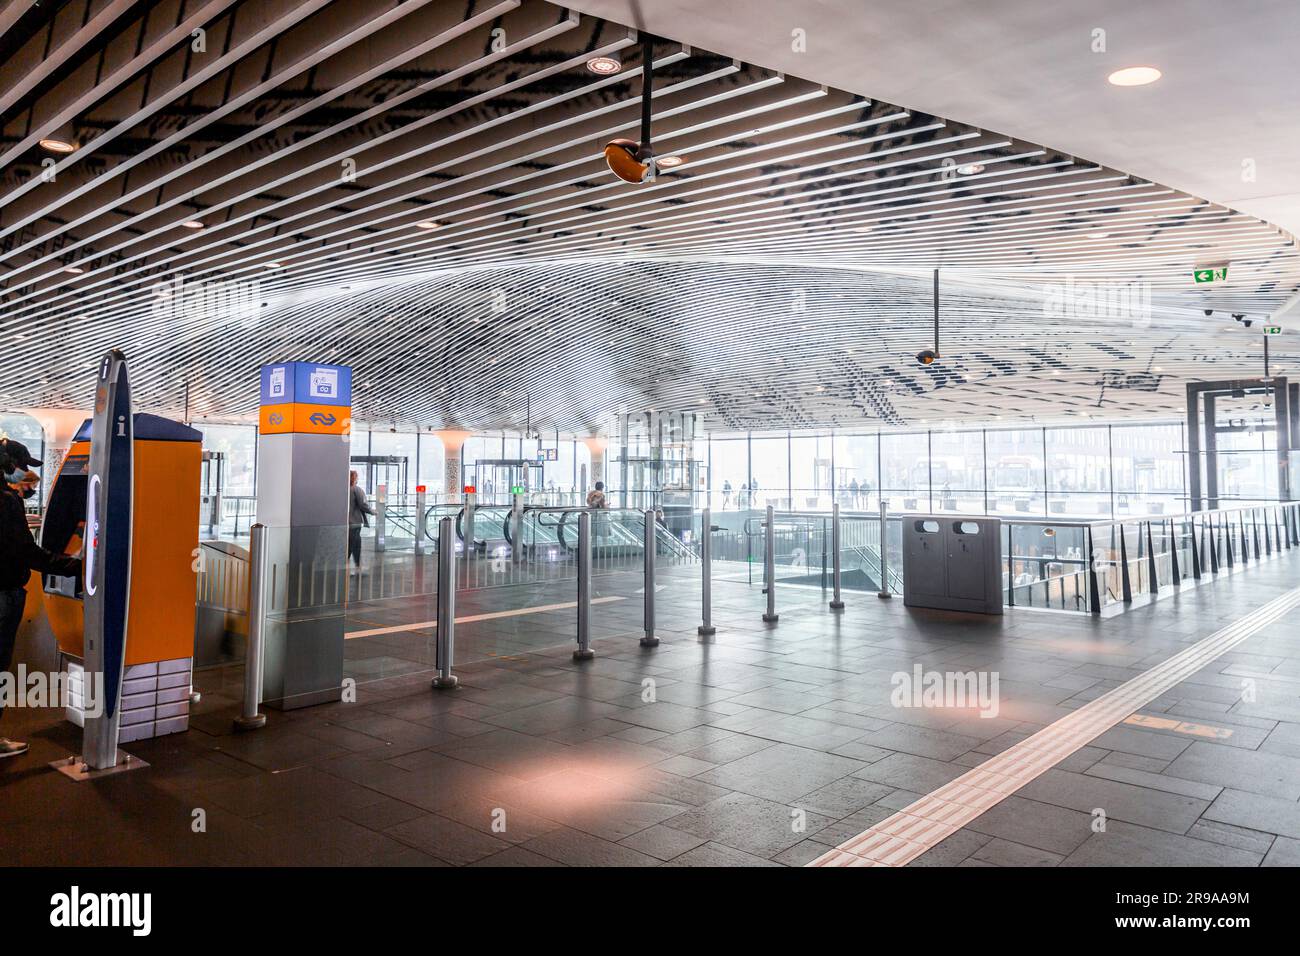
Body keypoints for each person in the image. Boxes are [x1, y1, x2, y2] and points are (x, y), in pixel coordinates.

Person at [0, 437, 80, 759]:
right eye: (22, 467)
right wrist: (74, 566)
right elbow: (25, 552)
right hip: (4, 594)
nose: (24, 475)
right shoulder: (6, 502)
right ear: (8, 465)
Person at [348, 470, 375, 572]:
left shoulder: (343, 490)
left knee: (349, 544)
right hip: (354, 522)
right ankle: (357, 566)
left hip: (345, 522)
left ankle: (352, 565)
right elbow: (363, 505)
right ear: (354, 478)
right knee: (355, 544)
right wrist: (373, 512)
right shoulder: (356, 490)